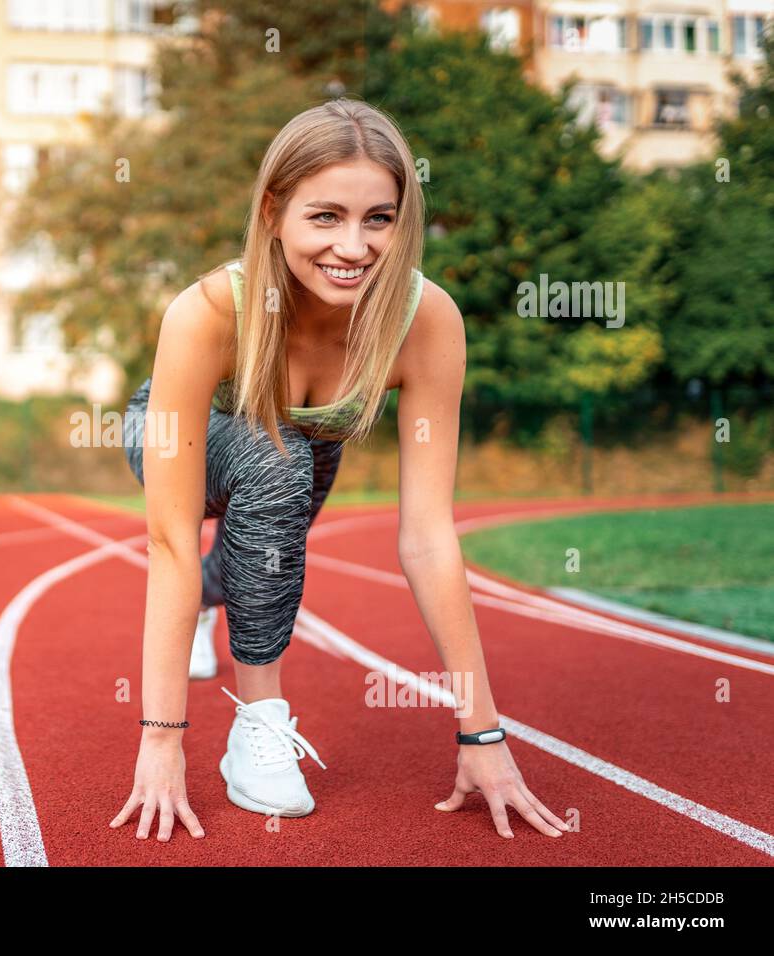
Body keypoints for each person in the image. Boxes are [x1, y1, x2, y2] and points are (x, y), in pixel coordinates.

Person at [109, 97, 570, 843]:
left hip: (295, 456)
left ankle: (211, 604)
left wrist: (481, 733)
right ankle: (258, 724)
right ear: (272, 213)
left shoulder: (425, 322)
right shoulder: (209, 313)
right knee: (272, 471)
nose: (353, 247)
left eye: (378, 219)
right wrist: (162, 738)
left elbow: (426, 537)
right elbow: (168, 540)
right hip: (177, 429)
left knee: (266, 545)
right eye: (324, 216)